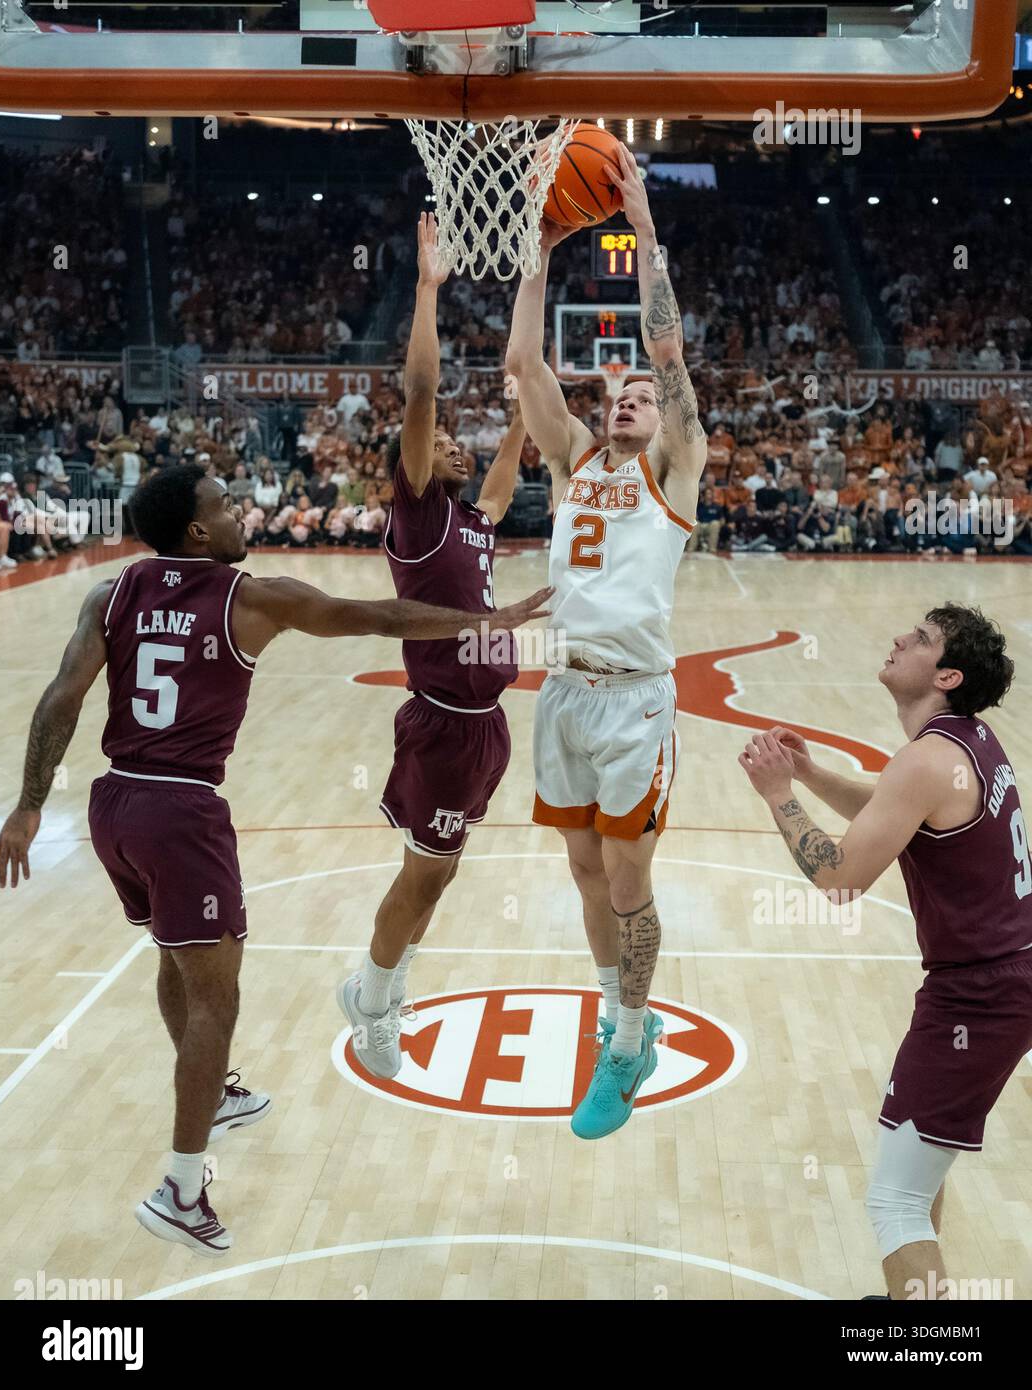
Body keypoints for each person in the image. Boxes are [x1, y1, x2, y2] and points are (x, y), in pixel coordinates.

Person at [0, 463, 550, 1258]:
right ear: (196, 530)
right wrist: (488, 619)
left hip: (114, 804)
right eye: (223, 506)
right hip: (182, 813)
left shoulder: (110, 594)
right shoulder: (250, 596)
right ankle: (181, 1188)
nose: (238, 513)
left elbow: (60, 697)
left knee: (177, 959)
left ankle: (213, 1093)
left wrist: (27, 804)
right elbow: (380, 617)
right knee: (217, 998)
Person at [739, 604, 1030, 1302]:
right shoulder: (969, 740)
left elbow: (840, 878)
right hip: (1004, 975)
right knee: (918, 1166)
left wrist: (778, 794)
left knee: (894, 1201)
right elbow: (894, 809)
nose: (901, 639)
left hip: (980, 994)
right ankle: (915, 1302)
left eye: (922, 640)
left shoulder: (928, 758)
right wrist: (809, 775)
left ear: (948, 675)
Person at [506, 143, 706, 1141]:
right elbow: (523, 366)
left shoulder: (675, 464)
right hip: (562, 695)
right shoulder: (573, 459)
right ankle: (611, 1014)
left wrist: (644, 233)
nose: (626, 396)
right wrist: (539, 251)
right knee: (585, 878)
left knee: (630, 887)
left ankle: (631, 1040)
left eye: (639, 394)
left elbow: (666, 353)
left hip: (633, 702)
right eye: (614, 391)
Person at [338, 213, 531, 1080]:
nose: (455, 440)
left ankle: (391, 978)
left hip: (483, 726)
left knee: (439, 874)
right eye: (441, 441)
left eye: (460, 440)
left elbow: (505, 477)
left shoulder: (472, 520)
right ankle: (372, 1002)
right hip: (446, 722)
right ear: (412, 464)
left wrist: (527, 405)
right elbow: (421, 398)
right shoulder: (418, 519)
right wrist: (426, 292)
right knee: (423, 877)